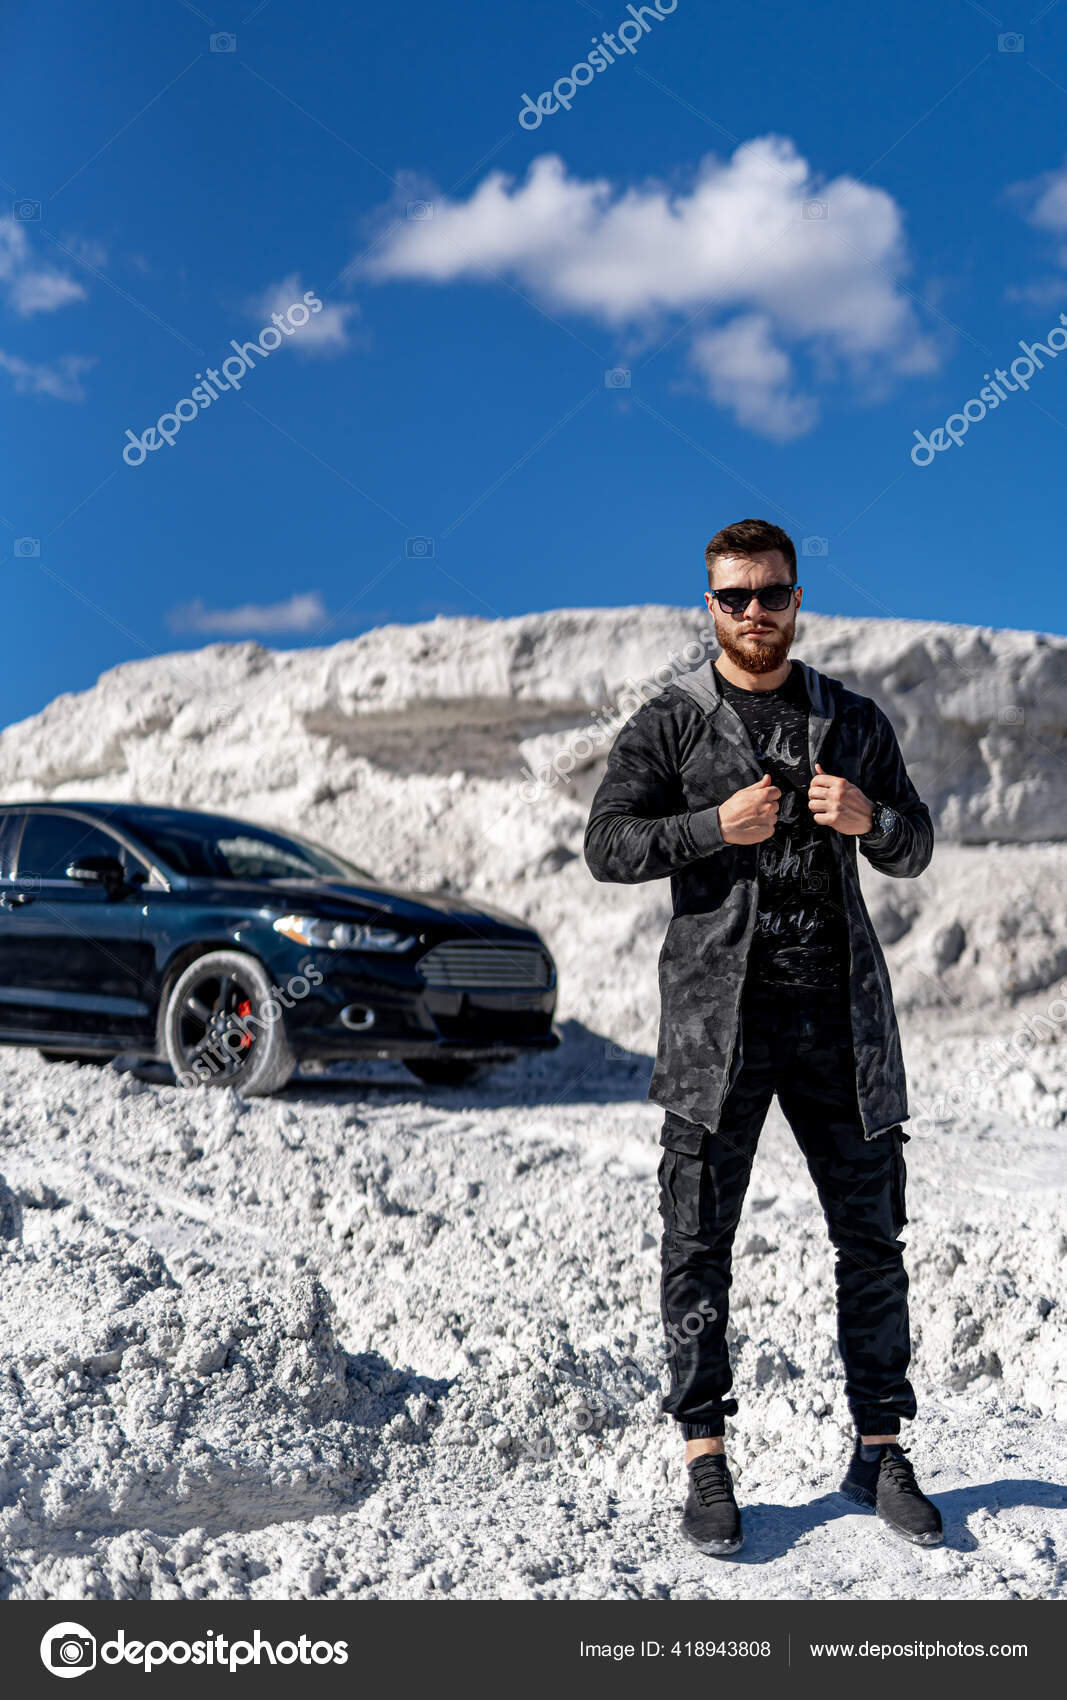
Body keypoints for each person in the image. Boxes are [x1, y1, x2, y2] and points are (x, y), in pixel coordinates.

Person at [583, 518, 943, 1556]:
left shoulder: (851, 718)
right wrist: (709, 828)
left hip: (839, 1025)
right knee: (696, 1246)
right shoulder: (671, 722)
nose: (753, 611)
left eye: (770, 593)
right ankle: (704, 1458)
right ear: (708, 604)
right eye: (733, 595)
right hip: (715, 1030)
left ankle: (878, 1450)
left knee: (870, 1244)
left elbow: (912, 845)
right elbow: (606, 843)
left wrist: (866, 817)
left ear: (796, 599)